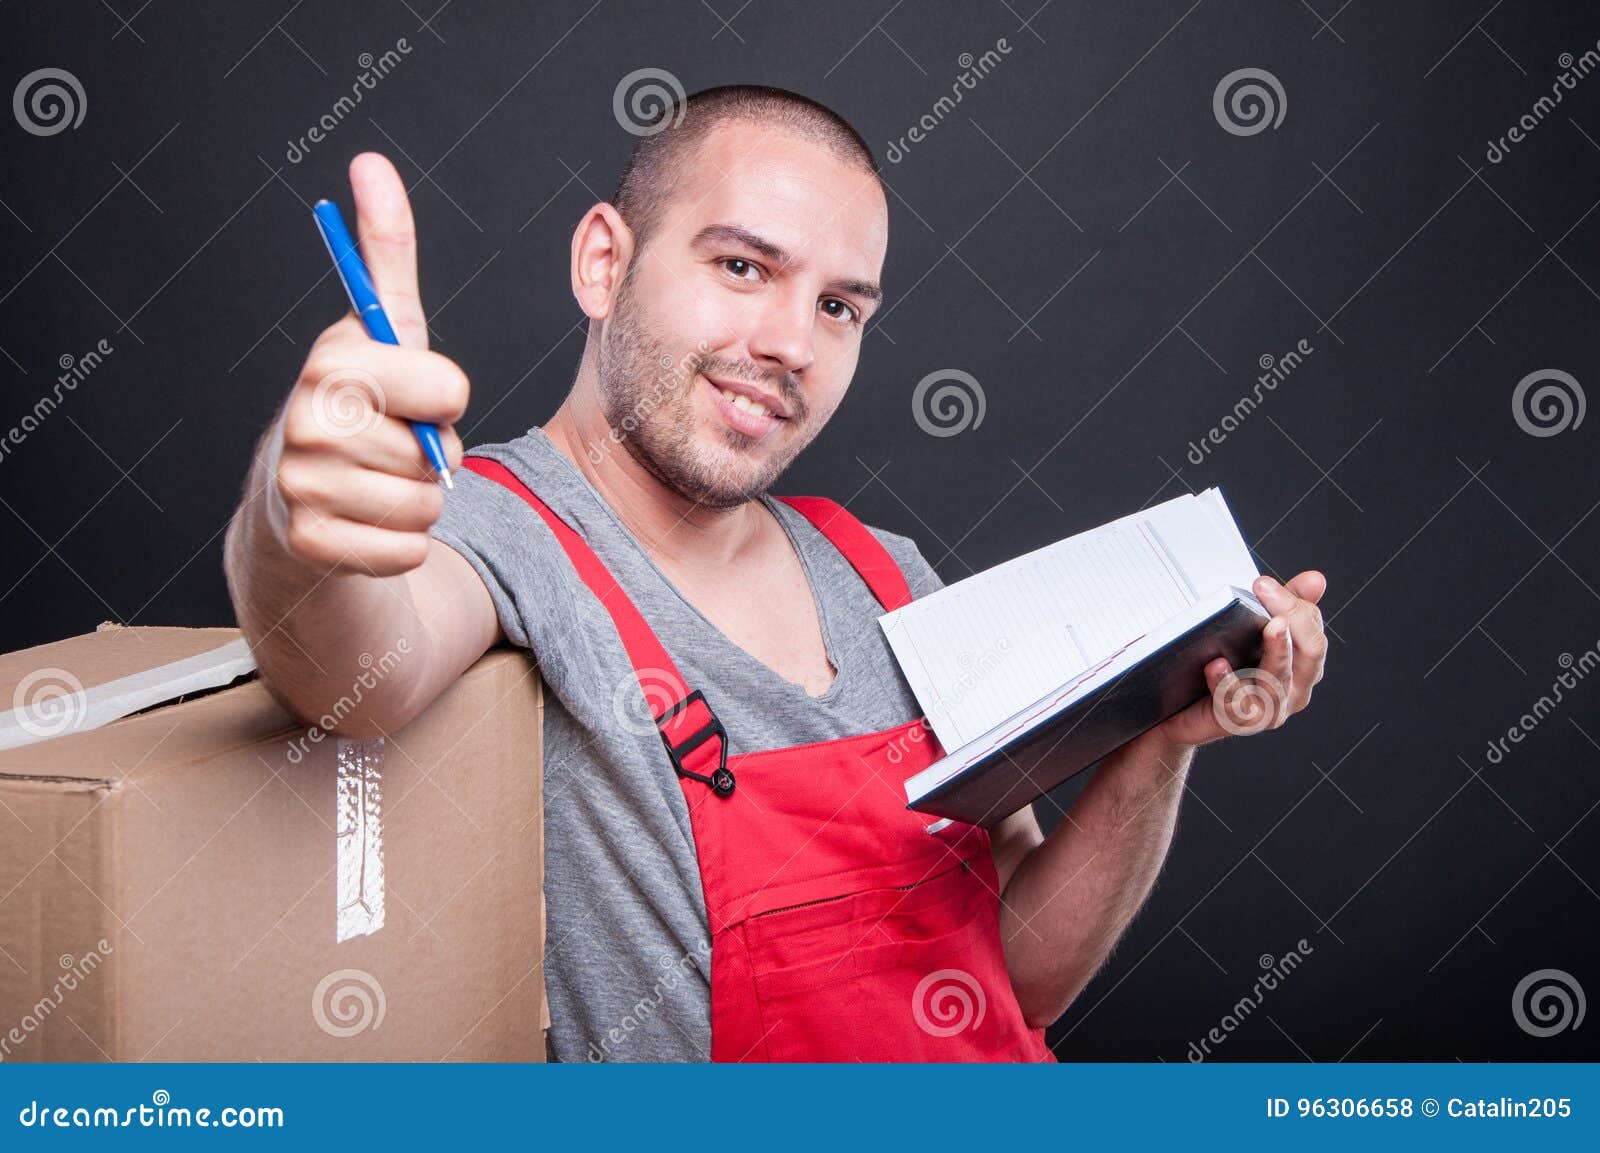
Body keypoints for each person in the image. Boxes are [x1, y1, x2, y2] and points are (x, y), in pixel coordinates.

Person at [223, 85, 1329, 1062]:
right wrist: (297, 507)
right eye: (743, 266)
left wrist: (1157, 741)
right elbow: (344, 669)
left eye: (839, 306)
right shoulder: (503, 529)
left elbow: (1017, 981)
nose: (792, 343)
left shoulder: (888, 575)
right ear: (603, 261)